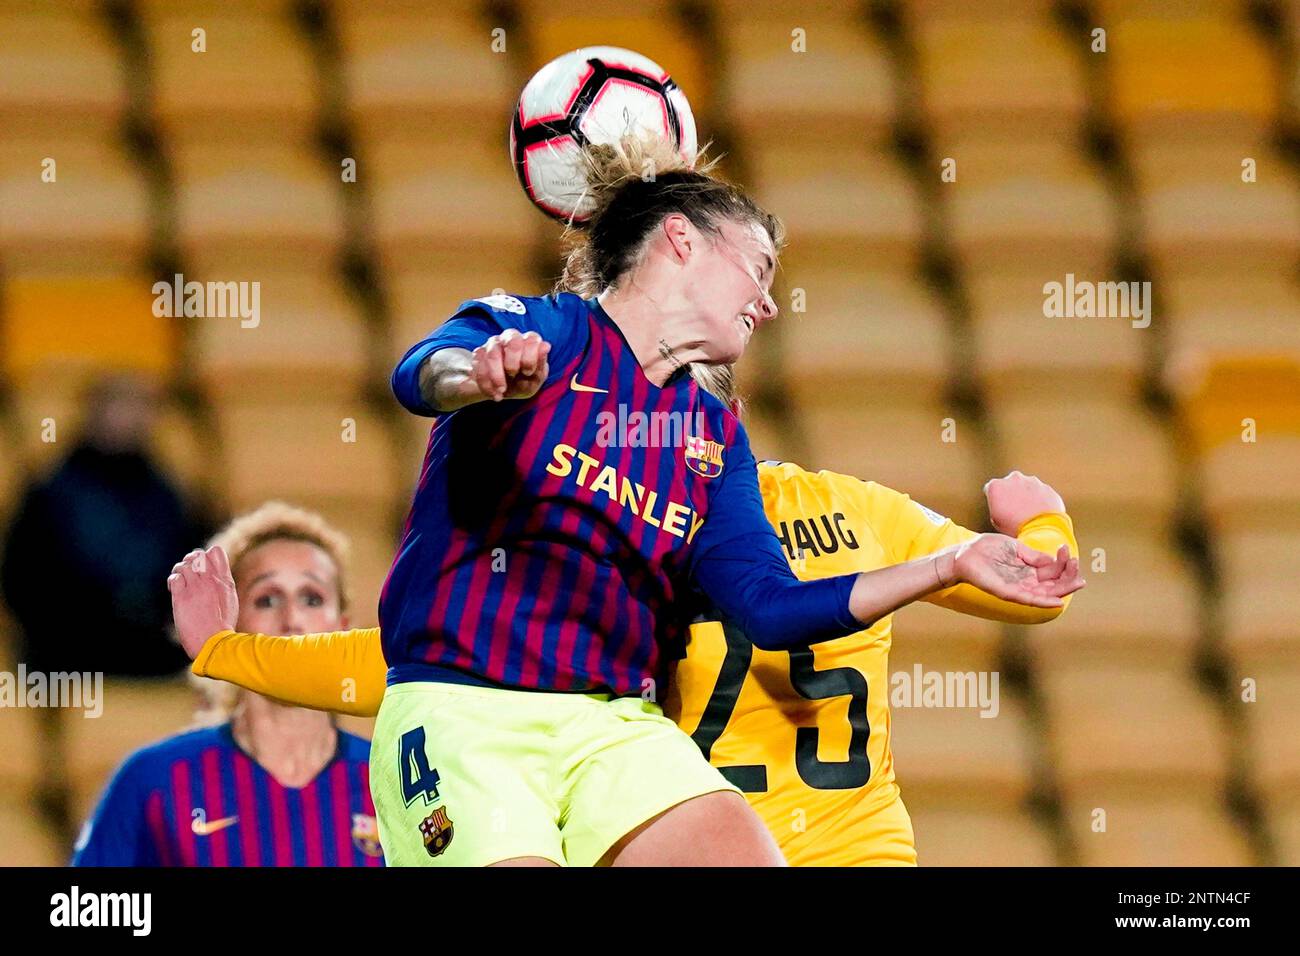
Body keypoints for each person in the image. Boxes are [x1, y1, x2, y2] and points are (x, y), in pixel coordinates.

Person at [174, 145, 1083, 868]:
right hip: (467, 715)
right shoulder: (547, 333)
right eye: (759, 267)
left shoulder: (705, 439)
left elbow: (767, 610)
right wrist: (478, 378)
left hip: (613, 721)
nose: (769, 303)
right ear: (681, 242)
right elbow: (417, 373)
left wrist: (947, 565)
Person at [171, 468, 1078, 866]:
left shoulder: (613, 536)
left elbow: (417, 669)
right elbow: (1030, 589)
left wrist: (232, 653)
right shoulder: (858, 510)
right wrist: (1041, 522)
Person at [73, 503, 382, 867]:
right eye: (266, 599)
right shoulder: (153, 781)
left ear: (343, 628)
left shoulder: (390, 785)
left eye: (312, 598)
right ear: (225, 622)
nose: (292, 619)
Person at [1, 373, 210, 677]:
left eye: (141, 407)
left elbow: (189, 567)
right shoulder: (50, 492)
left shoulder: (167, 494)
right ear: (93, 413)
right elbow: (21, 580)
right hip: (72, 643)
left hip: (148, 642)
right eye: (118, 406)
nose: (131, 418)